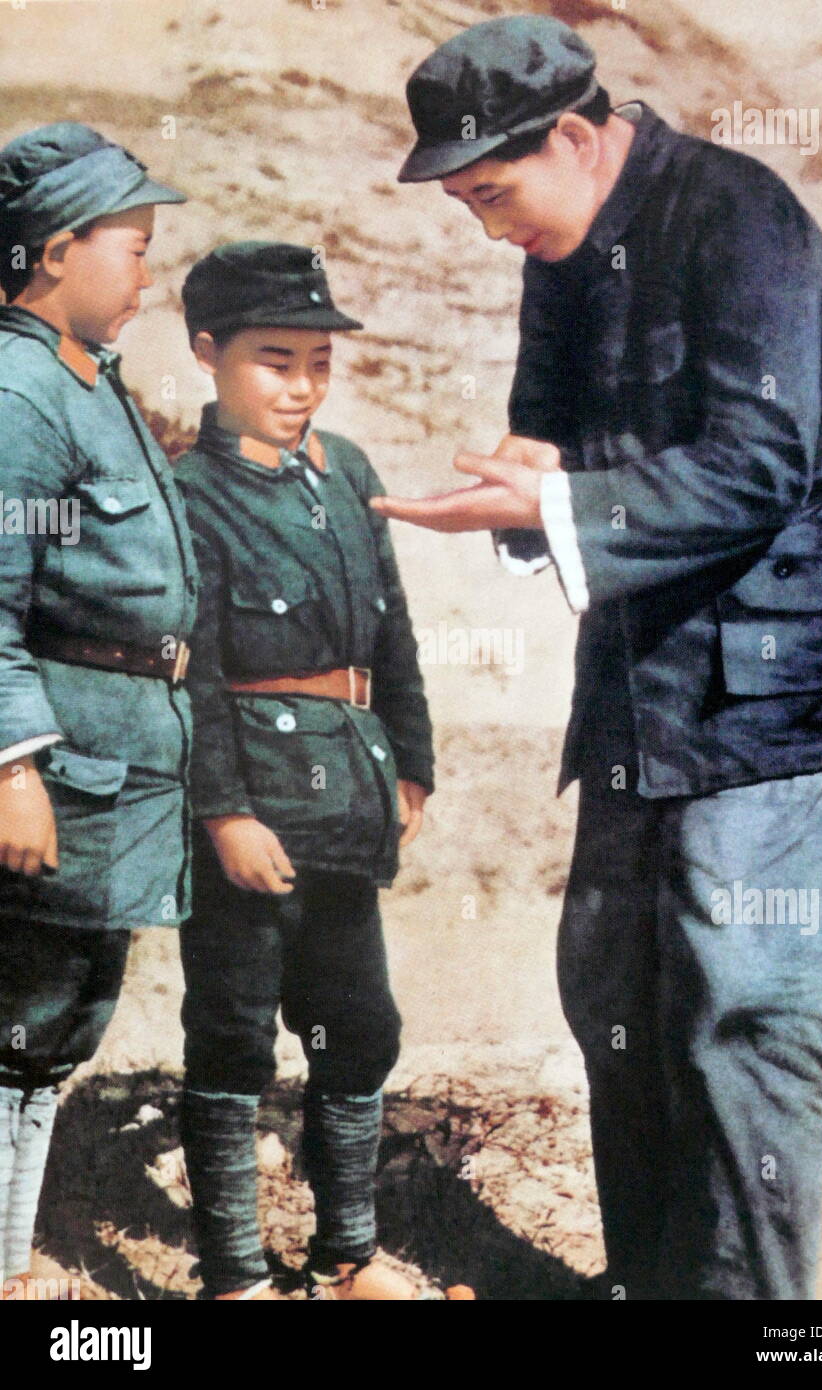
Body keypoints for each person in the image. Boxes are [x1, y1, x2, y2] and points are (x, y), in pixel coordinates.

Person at [377, 15, 822, 1300]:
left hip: (775, 691)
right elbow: (552, 437)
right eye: (462, 205)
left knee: (735, 1009)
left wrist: (552, 507)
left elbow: (759, 468)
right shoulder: (557, 246)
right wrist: (532, 476)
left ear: (572, 135)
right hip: (637, 682)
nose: (485, 228)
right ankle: (658, 1280)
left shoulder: (742, 217)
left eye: (491, 193)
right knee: (612, 985)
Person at [174, 242, 471, 1301]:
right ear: (207, 352)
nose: (300, 386)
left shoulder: (348, 472)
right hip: (249, 805)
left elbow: (391, 635)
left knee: (359, 1023)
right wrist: (221, 813)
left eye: (316, 361)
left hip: (349, 797)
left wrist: (414, 761)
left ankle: (346, 1255)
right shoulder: (186, 495)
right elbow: (193, 676)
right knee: (235, 1028)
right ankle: (232, 1274)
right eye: (272, 359)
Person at [0, 123, 197, 1299]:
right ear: (57, 248)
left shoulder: (83, 377)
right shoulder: (19, 386)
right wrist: (11, 763)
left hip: (106, 786)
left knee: (43, 1050)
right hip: (52, 782)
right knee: (10, 1048)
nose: (146, 274)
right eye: (133, 247)